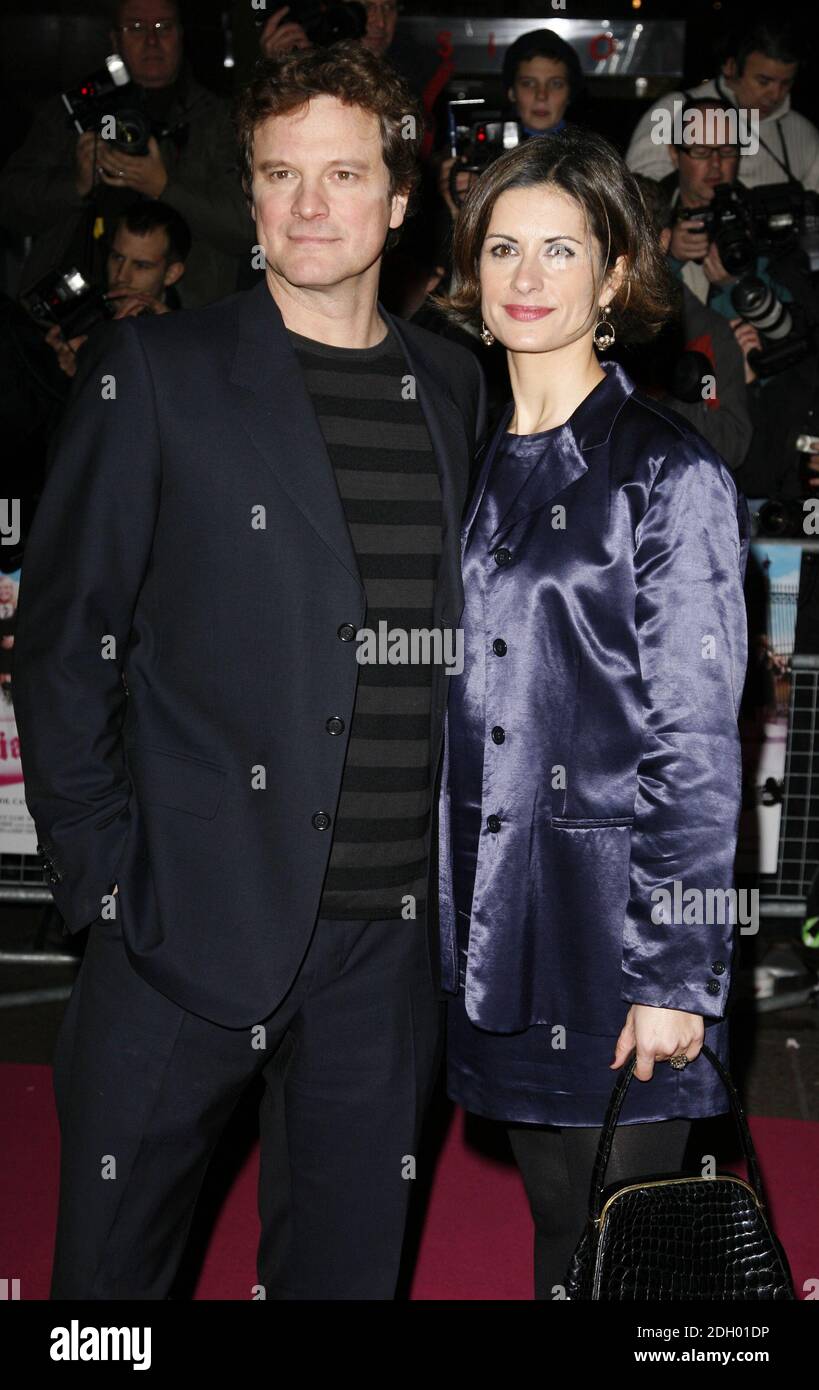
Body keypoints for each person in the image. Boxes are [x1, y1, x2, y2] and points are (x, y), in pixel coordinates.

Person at [12, 40, 486, 1301]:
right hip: (182, 929)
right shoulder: (156, 374)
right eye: (281, 174)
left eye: (344, 174)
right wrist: (107, 890)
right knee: (106, 1296)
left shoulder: (452, 385)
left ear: (399, 200)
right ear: (255, 194)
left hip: (385, 953)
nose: (311, 205)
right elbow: (64, 646)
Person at [432, 127, 750, 1299]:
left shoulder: (668, 472)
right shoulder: (454, 460)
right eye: (502, 246)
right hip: (493, 926)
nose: (525, 276)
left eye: (559, 249)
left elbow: (700, 742)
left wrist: (676, 971)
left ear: (615, 273)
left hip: (615, 933)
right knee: (561, 1230)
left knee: (638, 1257)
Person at [0, 0, 254, 309]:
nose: (151, 40)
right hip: (67, 316)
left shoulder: (220, 120)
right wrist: (75, 185)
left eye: (164, 27)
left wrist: (164, 187)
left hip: (180, 322)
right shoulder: (75, 112)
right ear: (114, 39)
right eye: (136, 28)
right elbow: (11, 204)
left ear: (181, 35)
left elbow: (247, 227)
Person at [626, 17, 819, 193]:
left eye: (786, 83)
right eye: (763, 81)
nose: (776, 95)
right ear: (730, 67)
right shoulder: (673, 111)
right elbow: (640, 190)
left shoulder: (805, 133)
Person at [45, 200, 190, 380]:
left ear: (171, 274)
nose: (122, 276)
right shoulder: (82, 311)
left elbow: (115, 397)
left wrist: (96, 375)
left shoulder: (183, 338)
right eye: (117, 257)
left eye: (141, 265)